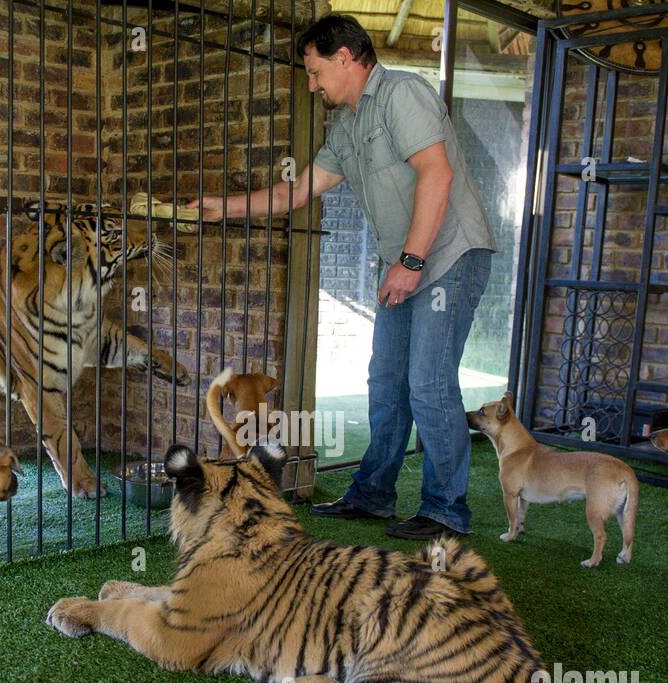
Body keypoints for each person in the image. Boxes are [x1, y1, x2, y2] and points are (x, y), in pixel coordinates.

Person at [191, 14, 495, 541]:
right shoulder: (350, 125)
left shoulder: (404, 94)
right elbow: (294, 193)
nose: (312, 84)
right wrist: (223, 207)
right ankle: (373, 494)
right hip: (406, 264)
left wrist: (412, 262)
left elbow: (437, 173)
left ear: (345, 58)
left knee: (428, 383)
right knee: (385, 383)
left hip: (447, 257)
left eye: (314, 71)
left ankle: (445, 510)